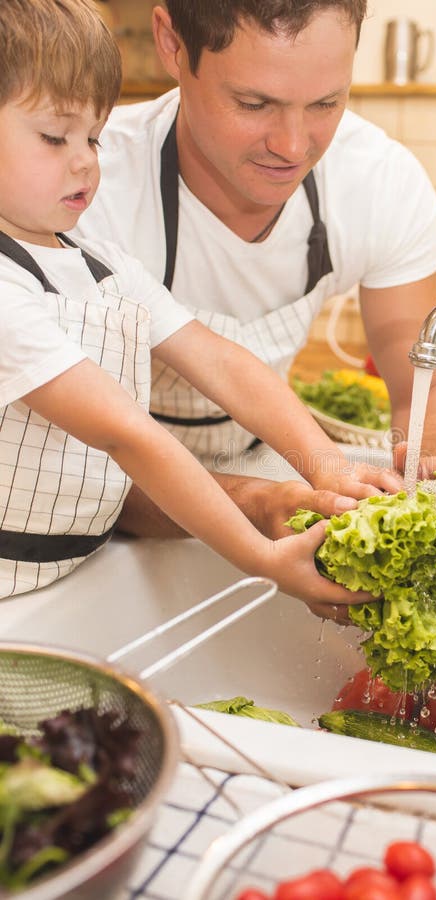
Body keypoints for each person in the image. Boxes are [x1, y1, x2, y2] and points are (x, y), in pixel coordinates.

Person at [75, 0, 436, 575]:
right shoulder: (80, 188)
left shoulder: (377, 180)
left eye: (326, 103)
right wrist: (256, 505)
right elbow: (65, 464)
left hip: (269, 485)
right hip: (94, 522)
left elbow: (428, 385)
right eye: (254, 104)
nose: (294, 146)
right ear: (172, 43)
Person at [0, 0, 403, 613]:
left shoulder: (99, 261)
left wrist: (331, 470)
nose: (84, 159)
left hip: (73, 571)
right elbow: (127, 434)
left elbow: (221, 362)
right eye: (55, 137)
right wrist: (260, 558)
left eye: (93, 137)